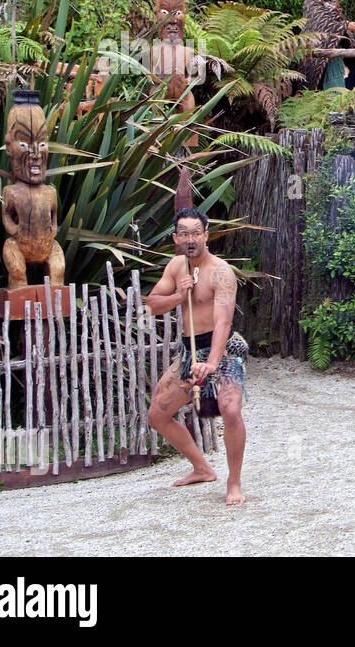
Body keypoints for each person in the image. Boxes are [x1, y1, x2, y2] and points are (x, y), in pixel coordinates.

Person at [145, 208, 250, 505]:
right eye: (184, 233)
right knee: (158, 415)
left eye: (196, 233)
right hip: (189, 350)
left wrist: (213, 364)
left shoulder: (221, 272)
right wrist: (179, 296)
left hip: (223, 350)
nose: (190, 239)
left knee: (229, 410)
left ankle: (234, 483)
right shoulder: (177, 266)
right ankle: (202, 468)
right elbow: (151, 305)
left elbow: (223, 322)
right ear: (176, 237)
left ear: (206, 235)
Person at [301, 0, 355, 90]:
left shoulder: (332, 4)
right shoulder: (312, 2)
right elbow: (321, 24)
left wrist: (346, 26)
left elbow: (335, 24)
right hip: (317, 50)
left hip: (335, 51)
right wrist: (345, 26)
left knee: (348, 74)